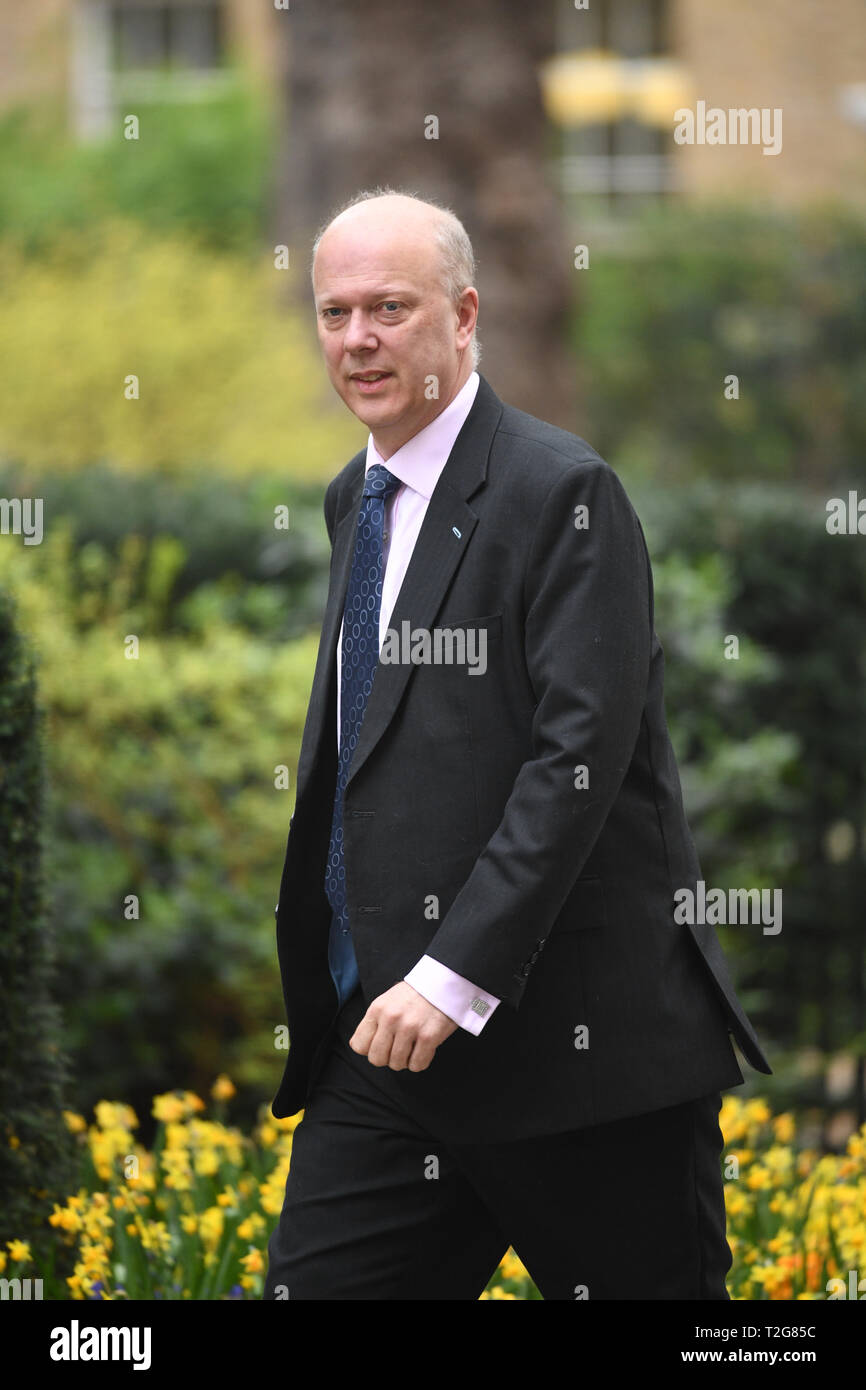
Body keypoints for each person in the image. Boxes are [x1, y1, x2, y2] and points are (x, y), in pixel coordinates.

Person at [262, 187, 771, 1301]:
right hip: (383, 1056)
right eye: (334, 311)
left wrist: (452, 979)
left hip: (577, 1063)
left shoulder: (562, 492)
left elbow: (572, 766)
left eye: (389, 307)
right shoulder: (357, 495)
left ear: (463, 314)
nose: (357, 338)